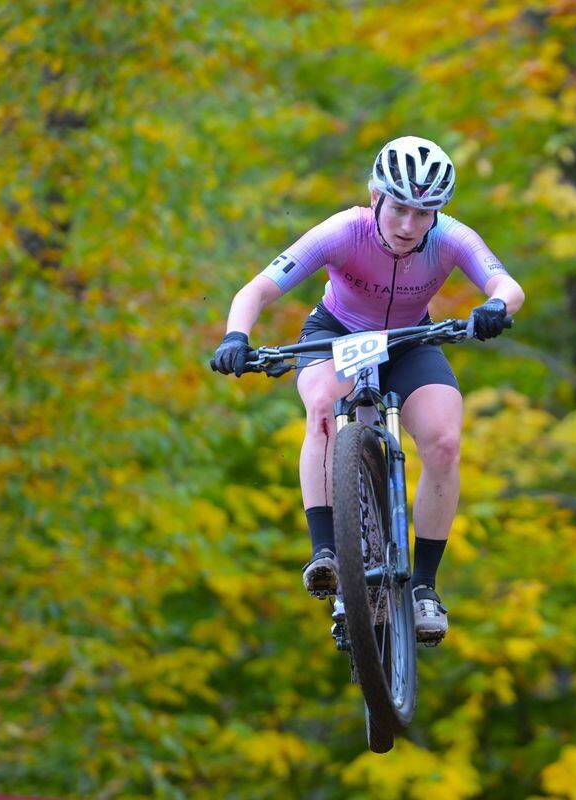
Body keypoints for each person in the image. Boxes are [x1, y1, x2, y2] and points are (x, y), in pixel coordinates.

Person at [211, 136, 524, 644]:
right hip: (336, 335)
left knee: (444, 442)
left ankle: (424, 586)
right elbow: (258, 288)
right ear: (375, 196)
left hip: (409, 341)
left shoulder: (450, 237)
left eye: (423, 213)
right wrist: (235, 336)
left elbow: (507, 287)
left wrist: (495, 307)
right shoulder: (344, 230)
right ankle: (326, 553)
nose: (409, 226)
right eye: (399, 208)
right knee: (322, 408)